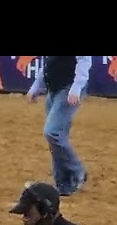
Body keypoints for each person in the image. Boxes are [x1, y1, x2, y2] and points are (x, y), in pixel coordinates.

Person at [26, 56, 92, 196]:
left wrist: (76, 87)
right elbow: (49, 64)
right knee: (57, 136)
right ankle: (63, 184)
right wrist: (37, 86)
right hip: (54, 88)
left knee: (52, 132)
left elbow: (84, 60)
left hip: (67, 88)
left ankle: (77, 170)